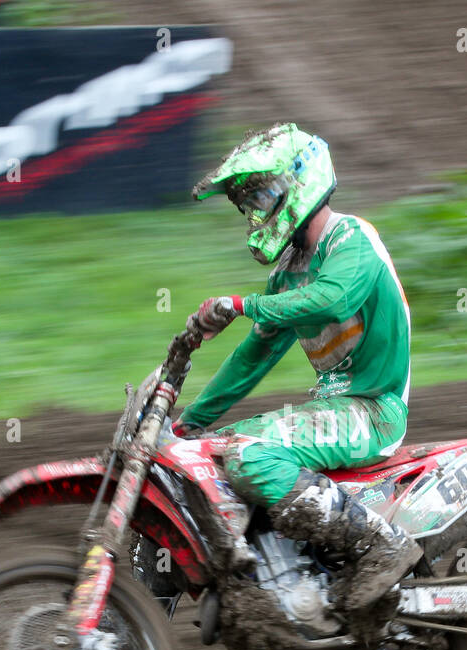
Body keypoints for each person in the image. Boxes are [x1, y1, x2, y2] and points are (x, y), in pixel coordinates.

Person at [173, 123, 421, 610]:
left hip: (374, 410)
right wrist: (190, 423)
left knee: (252, 456)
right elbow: (254, 356)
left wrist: (243, 305)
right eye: (249, 203)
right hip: (339, 408)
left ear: (297, 180)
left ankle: (377, 546)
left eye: (262, 195)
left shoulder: (352, 239)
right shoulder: (288, 272)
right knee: (211, 455)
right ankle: (285, 577)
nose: (256, 211)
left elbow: (333, 300)